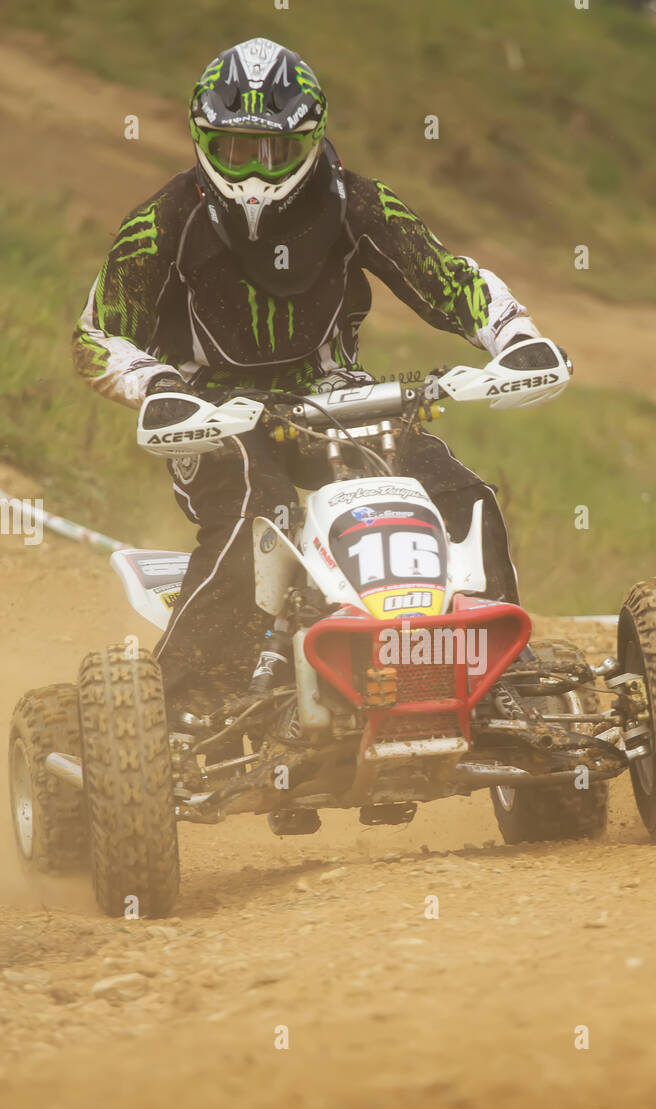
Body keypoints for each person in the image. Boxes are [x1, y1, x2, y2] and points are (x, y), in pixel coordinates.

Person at [73, 36, 554, 719]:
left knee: (463, 497)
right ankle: (175, 701)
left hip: (338, 402)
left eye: (275, 152)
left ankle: (505, 676)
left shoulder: (356, 204)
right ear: (203, 138)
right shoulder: (164, 222)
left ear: (312, 140)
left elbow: (451, 283)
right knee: (256, 517)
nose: (255, 173)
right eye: (236, 149)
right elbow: (97, 337)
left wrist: (517, 337)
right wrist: (155, 386)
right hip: (214, 414)